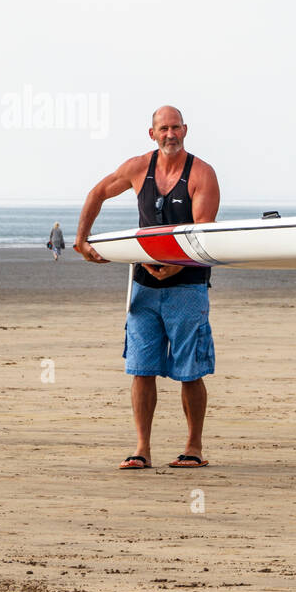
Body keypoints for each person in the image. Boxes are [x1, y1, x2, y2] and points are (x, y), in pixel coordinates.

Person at [74, 106, 221, 470]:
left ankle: (194, 447)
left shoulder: (201, 174)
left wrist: (176, 265)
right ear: (151, 133)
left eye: (175, 127)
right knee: (141, 368)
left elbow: (203, 234)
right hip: (143, 285)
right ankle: (142, 449)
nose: (170, 134)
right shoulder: (139, 168)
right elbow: (97, 193)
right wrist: (81, 241)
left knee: (190, 370)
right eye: (163, 128)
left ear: (185, 130)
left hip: (188, 285)